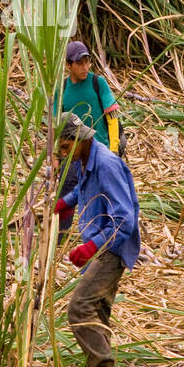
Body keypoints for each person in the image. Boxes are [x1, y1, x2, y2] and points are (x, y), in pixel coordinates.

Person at [53, 112, 140, 367]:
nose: (64, 155)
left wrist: (92, 246)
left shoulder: (106, 164)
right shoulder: (86, 159)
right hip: (100, 245)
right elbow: (82, 189)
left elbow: (124, 219)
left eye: (66, 148)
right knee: (97, 309)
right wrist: (64, 203)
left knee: (79, 309)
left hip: (111, 248)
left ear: (80, 139)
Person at [52, 40, 121, 231]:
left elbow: (113, 117)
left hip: (99, 151)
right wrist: (56, 157)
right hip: (72, 154)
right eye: (79, 63)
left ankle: (105, 235)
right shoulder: (62, 89)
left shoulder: (97, 83)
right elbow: (58, 127)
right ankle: (59, 238)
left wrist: (113, 150)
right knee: (66, 193)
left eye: (87, 62)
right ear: (68, 65)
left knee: (102, 195)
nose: (85, 67)